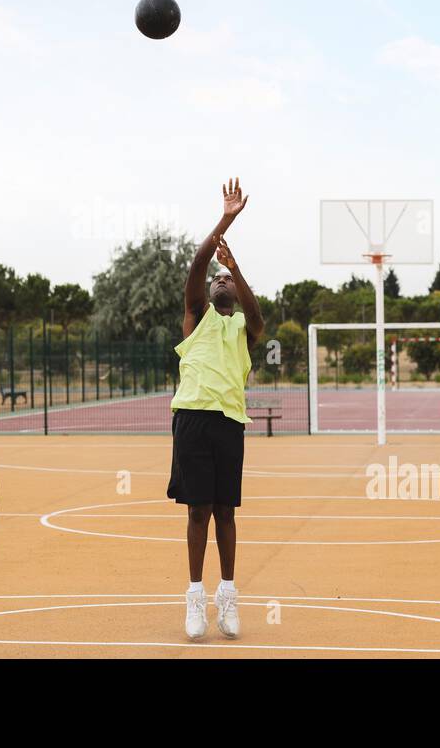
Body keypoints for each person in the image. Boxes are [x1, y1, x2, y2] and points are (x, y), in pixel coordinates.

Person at [168, 179, 264, 640]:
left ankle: (227, 595)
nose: (221, 281)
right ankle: (194, 599)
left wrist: (236, 267)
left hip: (230, 423)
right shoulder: (196, 314)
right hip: (191, 419)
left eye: (227, 281)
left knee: (225, 511)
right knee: (196, 510)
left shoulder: (245, 327)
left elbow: (258, 316)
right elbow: (197, 265)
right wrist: (226, 220)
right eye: (217, 281)